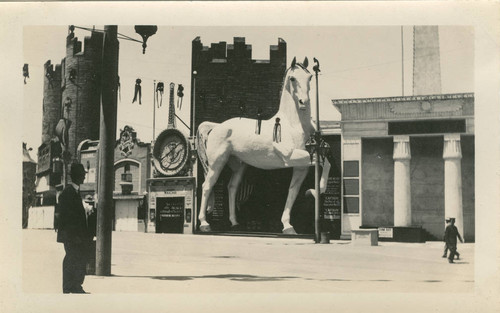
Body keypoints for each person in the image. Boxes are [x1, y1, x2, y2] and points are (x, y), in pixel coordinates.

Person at [56, 163, 91, 293]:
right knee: (71, 259)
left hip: (77, 236)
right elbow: (66, 218)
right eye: (82, 175)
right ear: (76, 176)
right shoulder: (68, 193)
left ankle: (75, 285)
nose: (83, 177)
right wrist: (74, 236)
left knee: (77, 259)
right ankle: (68, 287)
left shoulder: (75, 192)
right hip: (71, 236)